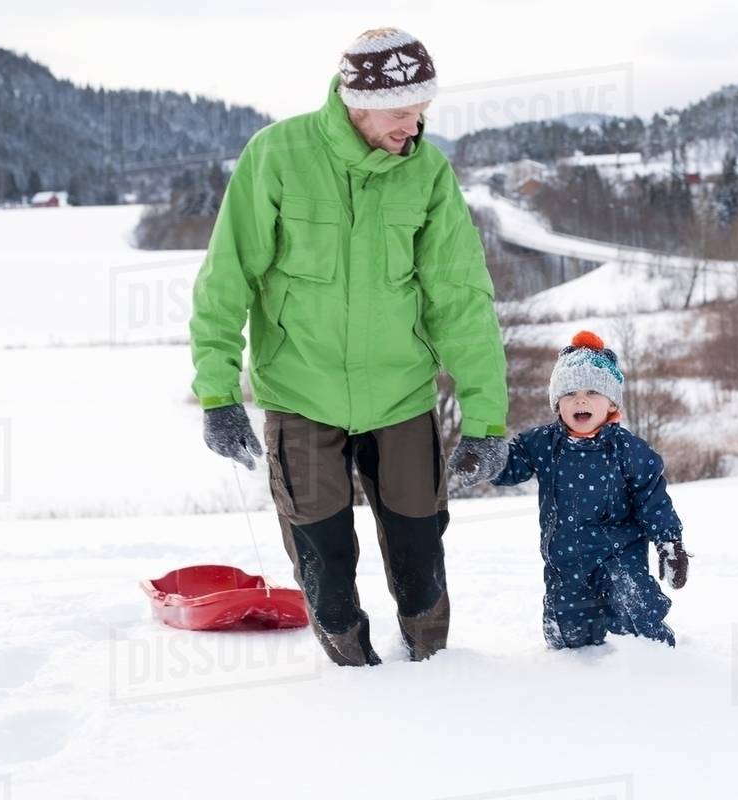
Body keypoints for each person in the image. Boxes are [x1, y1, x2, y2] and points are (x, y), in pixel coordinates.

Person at [190, 27, 511, 667]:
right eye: (400, 112)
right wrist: (218, 392)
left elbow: (461, 300)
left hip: (400, 395)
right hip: (300, 395)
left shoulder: (426, 172)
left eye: (422, 111)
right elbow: (227, 278)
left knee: (422, 549)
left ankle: (434, 666)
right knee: (324, 559)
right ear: (354, 100)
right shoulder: (277, 156)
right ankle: (351, 676)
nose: (413, 127)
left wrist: (486, 419)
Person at [453, 330, 691, 649]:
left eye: (592, 391)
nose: (580, 399)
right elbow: (511, 465)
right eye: (570, 393)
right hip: (566, 559)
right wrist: (485, 460)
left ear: (610, 403)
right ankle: (572, 674)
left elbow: (654, 501)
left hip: (620, 555)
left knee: (635, 609)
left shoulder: (631, 452)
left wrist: (669, 543)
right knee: (568, 632)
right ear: (557, 404)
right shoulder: (541, 444)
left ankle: (656, 658)